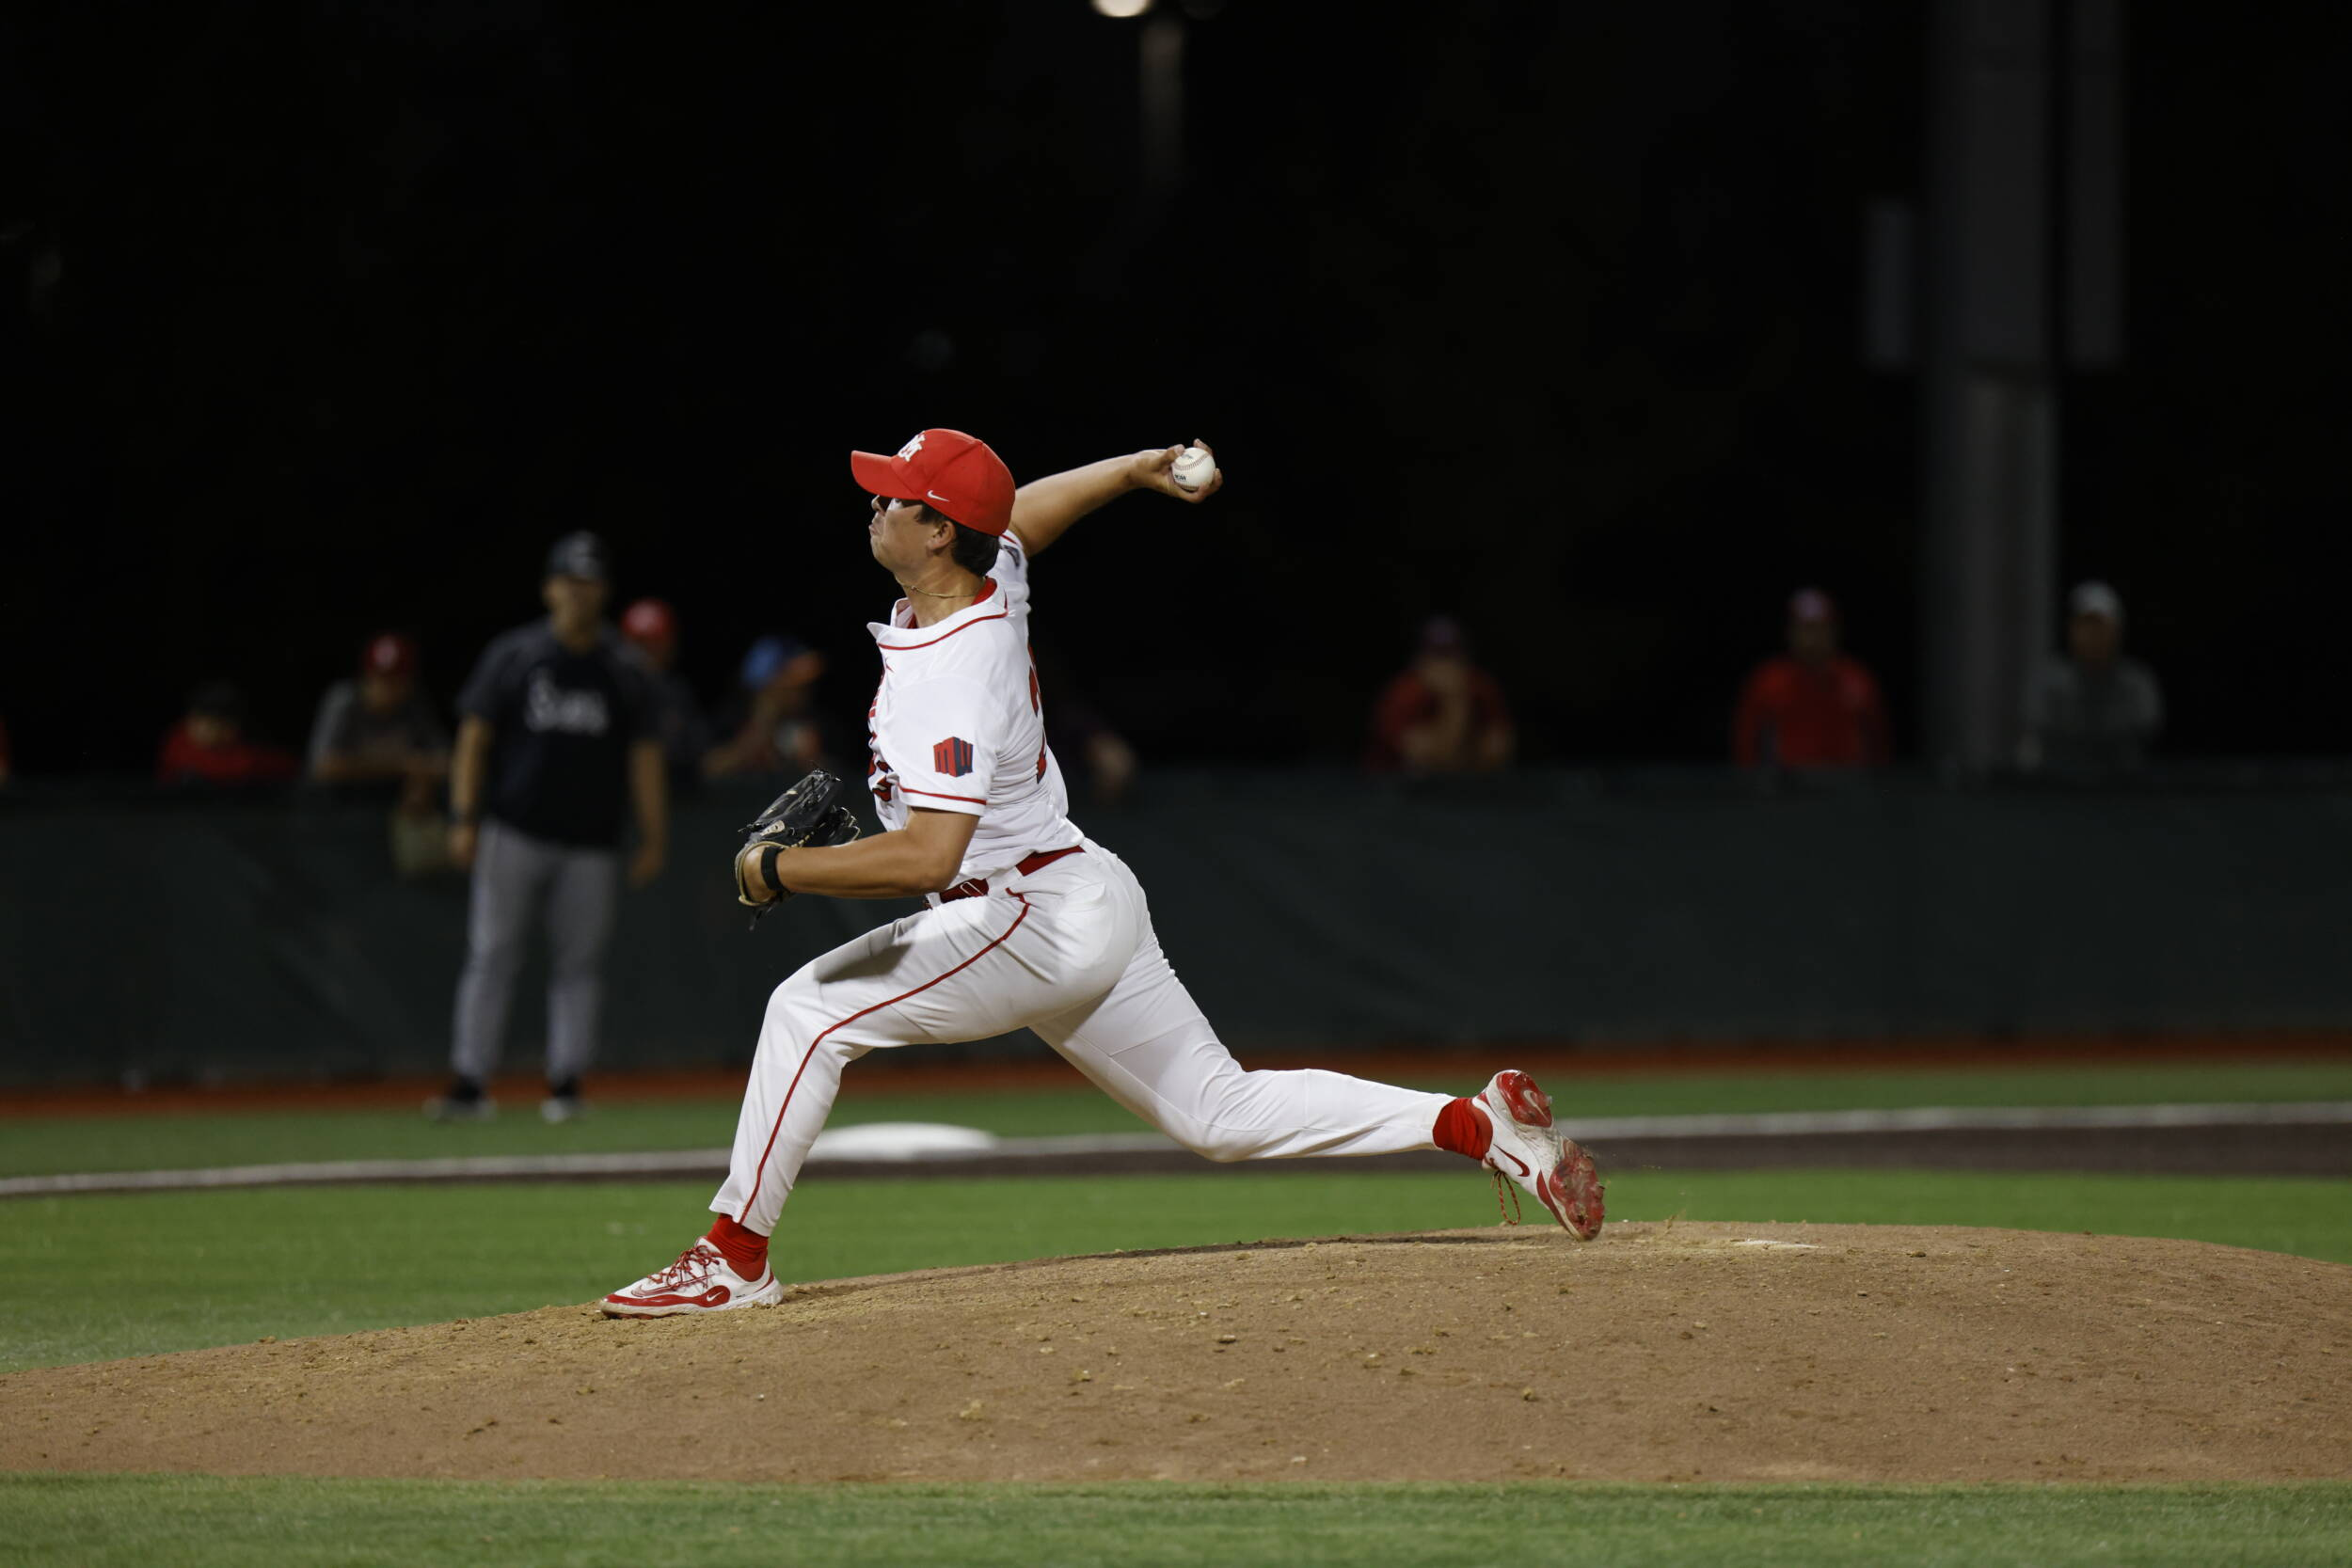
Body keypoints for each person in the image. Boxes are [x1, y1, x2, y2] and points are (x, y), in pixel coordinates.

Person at [599, 430, 1603, 1318]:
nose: (876, 502)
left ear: (940, 529)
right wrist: (1129, 469)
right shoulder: (987, 576)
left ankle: (732, 1256)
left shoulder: (949, 672)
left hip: (1022, 914)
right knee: (1218, 1113)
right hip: (1083, 889)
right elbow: (1024, 514)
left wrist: (781, 869)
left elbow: (929, 856)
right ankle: (1478, 1124)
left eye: (896, 493)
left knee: (804, 1012)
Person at [432, 532, 668, 1125]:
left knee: (578, 965)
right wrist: (463, 817)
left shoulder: (622, 668)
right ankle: (470, 1082)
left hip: (591, 843)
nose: (578, 594)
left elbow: (644, 755)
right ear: (549, 588)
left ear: (604, 592)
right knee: (491, 954)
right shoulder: (515, 655)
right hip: (514, 832)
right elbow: (474, 737)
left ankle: (565, 1083)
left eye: (588, 583)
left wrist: (653, 833)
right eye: (569, 581)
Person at [1731, 588, 1891, 769]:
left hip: (1847, 787)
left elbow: (1880, 743)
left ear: (1834, 630)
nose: (1812, 638)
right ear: (1790, 632)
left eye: (1820, 628)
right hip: (1786, 788)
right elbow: (1746, 744)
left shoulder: (1858, 680)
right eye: (1805, 629)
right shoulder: (1768, 681)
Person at [2021, 580, 2165, 775]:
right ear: (2071, 630)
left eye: (2100, 626)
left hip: (2124, 790)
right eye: (2085, 625)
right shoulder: (2049, 683)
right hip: (2058, 789)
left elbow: (2144, 731)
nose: (2093, 635)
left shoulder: (2138, 683)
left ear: (2117, 631)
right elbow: (2041, 730)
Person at [306, 632, 450, 814]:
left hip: (389, 810)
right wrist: (402, 766)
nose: (387, 688)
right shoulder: (344, 702)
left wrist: (423, 777)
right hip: (334, 812)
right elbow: (323, 767)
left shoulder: (414, 706)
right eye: (381, 678)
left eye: (396, 680)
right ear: (367, 676)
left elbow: (445, 760)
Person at [1366, 616, 1516, 773]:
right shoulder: (1404, 693)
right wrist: (1453, 701)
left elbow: (1499, 752)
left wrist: (1456, 698)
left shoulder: (1480, 687)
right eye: (1437, 653)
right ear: (1419, 658)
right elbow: (1428, 758)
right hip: (1394, 790)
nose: (1445, 663)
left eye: (1451, 653)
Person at [702, 634, 828, 777]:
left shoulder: (811, 720)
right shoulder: (730, 716)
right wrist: (758, 735)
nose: (804, 692)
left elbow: (839, 780)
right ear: (767, 683)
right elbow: (707, 770)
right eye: (792, 682)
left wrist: (812, 762)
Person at [618, 598, 711, 790]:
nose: (648, 651)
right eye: (641, 642)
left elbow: (702, 761)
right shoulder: (611, 690)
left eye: (657, 641)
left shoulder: (678, 694)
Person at [155, 682, 298, 786]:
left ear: (232, 729)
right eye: (197, 720)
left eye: (214, 724)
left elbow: (290, 770)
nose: (203, 730)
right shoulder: (177, 741)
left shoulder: (252, 759)